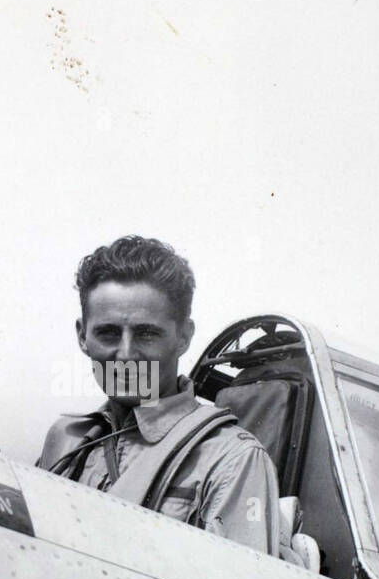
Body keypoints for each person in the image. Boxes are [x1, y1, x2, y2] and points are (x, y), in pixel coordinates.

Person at [37, 235, 281, 555]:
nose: (125, 355)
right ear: (83, 336)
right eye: (108, 333)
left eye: (147, 333)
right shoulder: (65, 440)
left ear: (183, 337)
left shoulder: (232, 459)